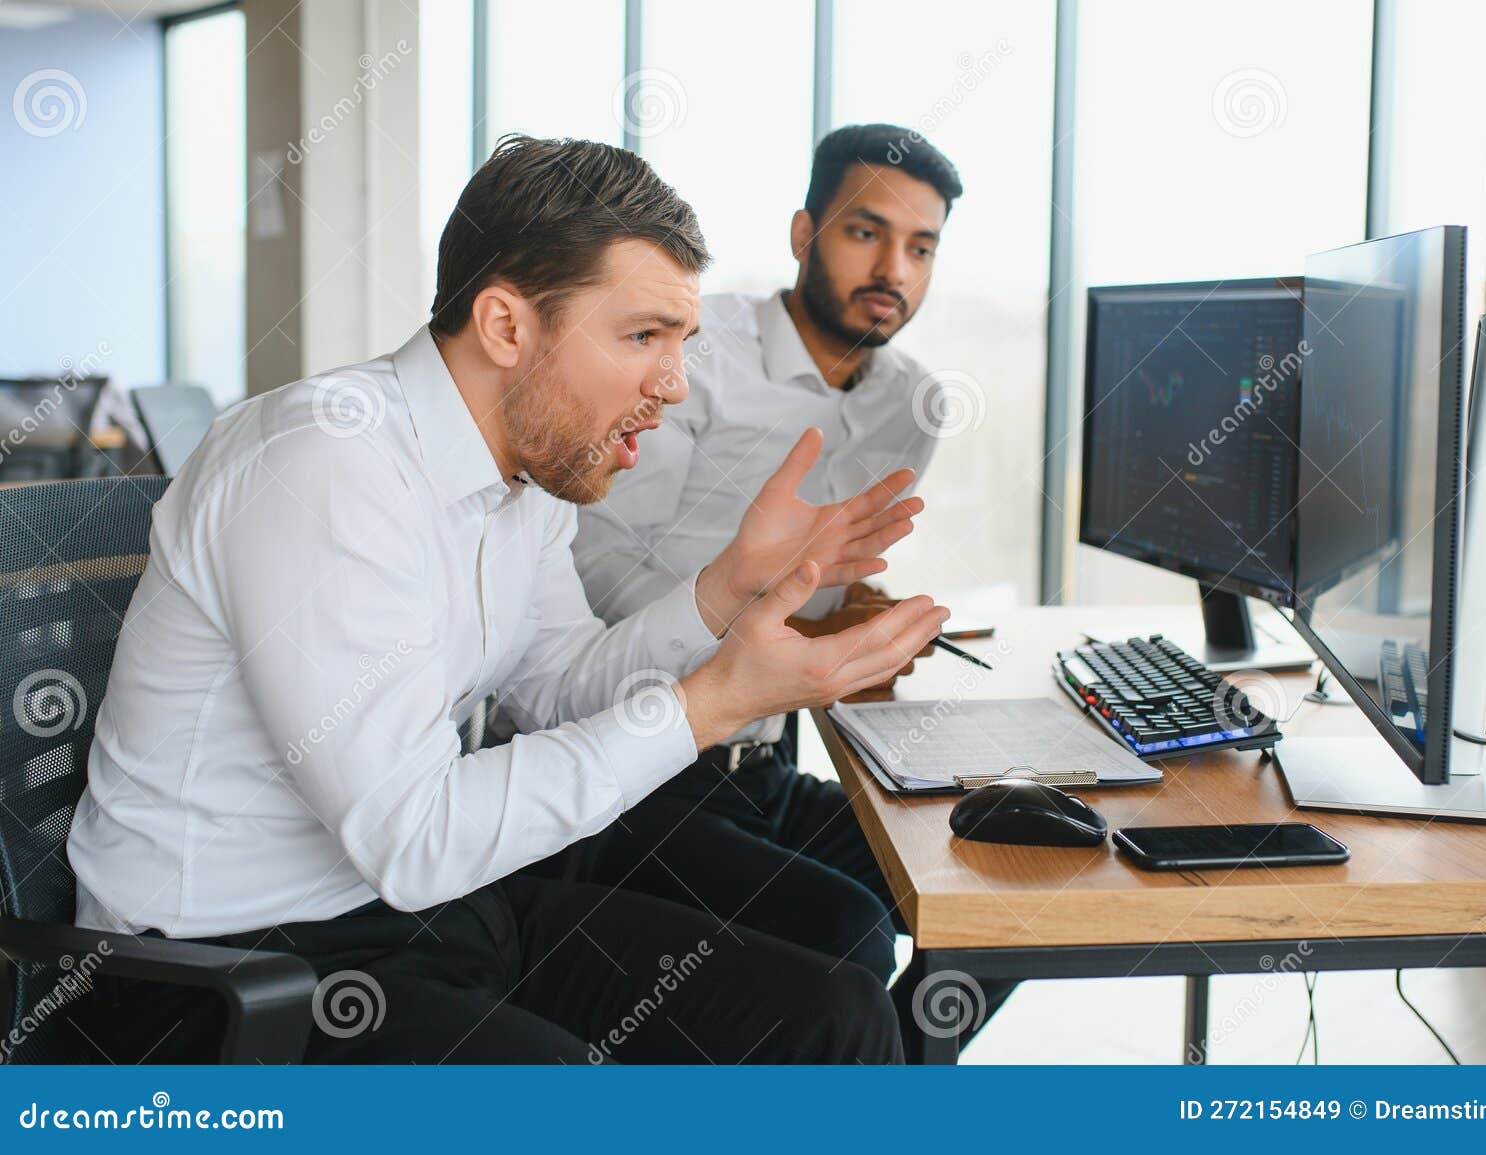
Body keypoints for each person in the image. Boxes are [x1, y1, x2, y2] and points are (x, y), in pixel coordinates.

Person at [66, 136, 948, 1065]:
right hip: (229, 972)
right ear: (505, 326)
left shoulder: (526, 476)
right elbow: (411, 835)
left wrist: (730, 585)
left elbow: (563, 686)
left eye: (681, 342)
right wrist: (717, 702)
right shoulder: (325, 463)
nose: (674, 385)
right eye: (643, 336)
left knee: (836, 1016)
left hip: (429, 913)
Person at [570, 124, 961, 987]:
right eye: (866, 233)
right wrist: (750, 630)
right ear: (803, 235)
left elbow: (829, 568)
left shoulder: (915, 404)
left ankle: (894, 1085)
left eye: (920, 247)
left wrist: (864, 610)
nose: (893, 270)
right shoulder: (699, 357)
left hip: (766, 762)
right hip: (640, 761)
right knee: (849, 931)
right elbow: (594, 561)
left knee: (982, 879)